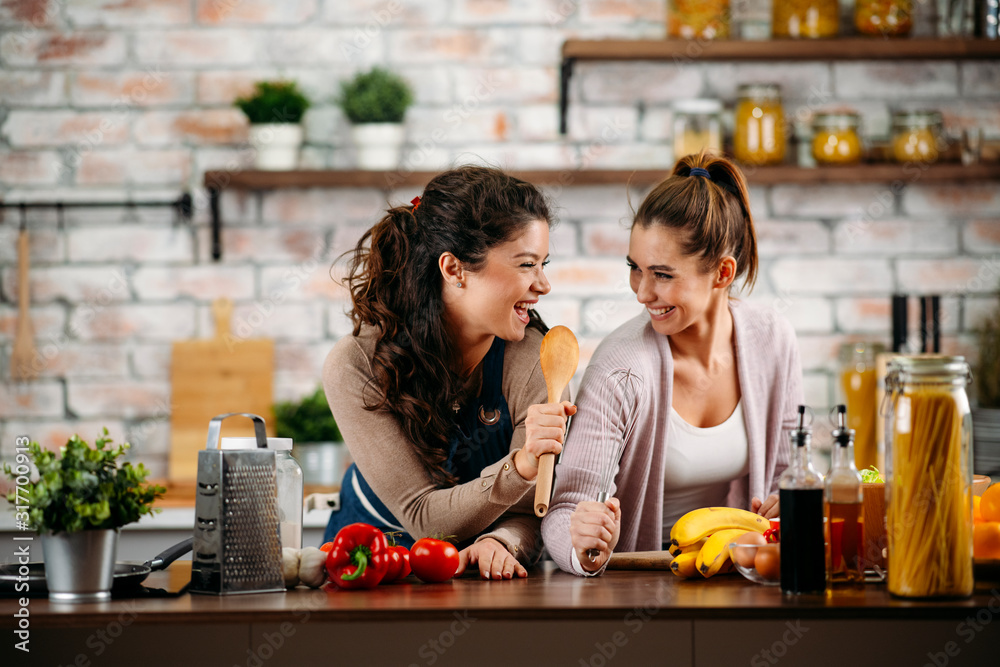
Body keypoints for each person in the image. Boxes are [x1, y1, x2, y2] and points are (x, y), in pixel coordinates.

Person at [541, 152, 803, 576]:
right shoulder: (621, 369)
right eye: (635, 269)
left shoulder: (773, 341)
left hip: (736, 574)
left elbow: (786, 474)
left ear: (722, 273)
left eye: (662, 275)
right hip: (637, 580)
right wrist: (580, 541)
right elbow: (564, 511)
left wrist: (785, 501)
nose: (642, 292)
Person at [322, 166, 574, 580]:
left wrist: (504, 540)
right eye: (527, 264)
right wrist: (522, 465)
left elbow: (533, 509)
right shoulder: (356, 364)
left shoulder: (535, 359)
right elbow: (424, 517)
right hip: (368, 574)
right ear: (454, 269)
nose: (544, 284)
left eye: (544, 263)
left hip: (484, 579)